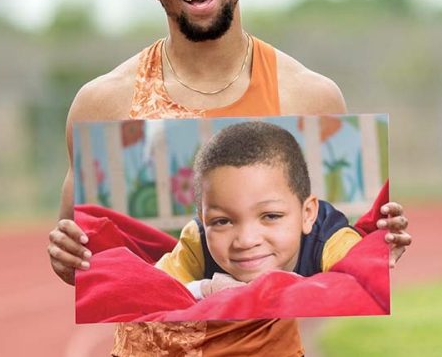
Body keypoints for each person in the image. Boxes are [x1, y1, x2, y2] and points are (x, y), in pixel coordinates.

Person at [47, 0, 412, 356]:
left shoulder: (309, 95)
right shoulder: (103, 104)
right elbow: (81, 263)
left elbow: (330, 248)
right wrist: (64, 256)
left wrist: (379, 248)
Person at [156, 121, 364, 302]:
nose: (246, 241)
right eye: (222, 221)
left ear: (307, 214)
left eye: (271, 216)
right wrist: (204, 289)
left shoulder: (334, 241)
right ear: (203, 219)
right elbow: (152, 287)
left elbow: (362, 285)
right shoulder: (197, 240)